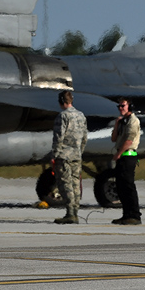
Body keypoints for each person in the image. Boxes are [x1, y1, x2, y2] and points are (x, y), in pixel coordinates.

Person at [50, 89, 88, 225]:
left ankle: (70, 213)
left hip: (64, 156)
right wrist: (79, 151)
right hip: (76, 155)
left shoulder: (62, 116)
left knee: (65, 184)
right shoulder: (81, 115)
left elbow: (58, 137)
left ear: (61, 102)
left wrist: (54, 155)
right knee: (76, 184)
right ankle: (75, 212)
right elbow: (84, 137)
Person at [111, 99, 142, 225]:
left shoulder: (133, 121)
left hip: (128, 156)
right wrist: (117, 124)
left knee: (128, 187)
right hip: (121, 156)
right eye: (119, 106)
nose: (120, 108)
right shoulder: (123, 122)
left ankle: (134, 215)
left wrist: (118, 154)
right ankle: (126, 215)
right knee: (121, 187)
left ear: (130, 106)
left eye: (123, 106)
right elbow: (114, 139)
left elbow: (129, 141)